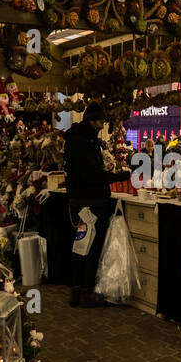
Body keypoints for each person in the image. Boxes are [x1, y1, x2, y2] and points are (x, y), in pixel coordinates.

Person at [63, 102, 130, 308]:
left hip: (81, 200)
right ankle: (85, 291)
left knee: (81, 245)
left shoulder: (79, 138)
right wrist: (114, 177)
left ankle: (77, 290)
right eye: (100, 121)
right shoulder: (83, 141)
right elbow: (91, 173)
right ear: (91, 120)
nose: (102, 125)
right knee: (90, 247)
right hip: (89, 202)